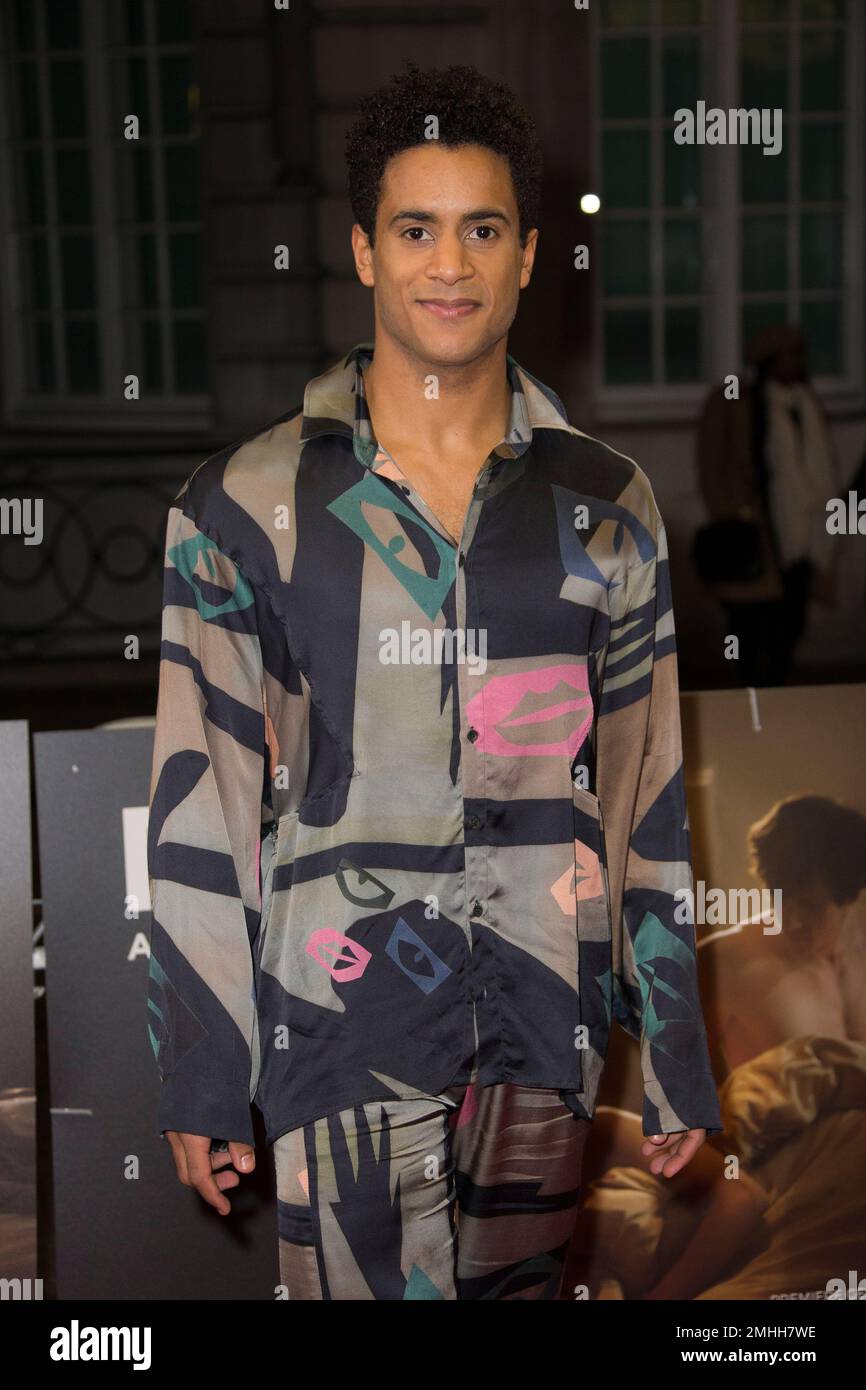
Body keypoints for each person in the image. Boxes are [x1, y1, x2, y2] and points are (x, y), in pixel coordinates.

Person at [146, 62, 722, 1302]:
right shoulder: (243, 506)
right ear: (362, 252)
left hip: (539, 1034)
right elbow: (202, 808)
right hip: (338, 1041)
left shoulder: (604, 503)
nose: (447, 264)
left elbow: (643, 792)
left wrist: (673, 1045)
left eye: (481, 229)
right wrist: (202, 1067)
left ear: (524, 258)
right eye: (415, 229)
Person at [696, 323, 840, 686]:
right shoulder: (734, 401)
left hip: (798, 534)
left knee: (790, 621)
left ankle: (775, 688)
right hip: (752, 533)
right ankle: (750, 693)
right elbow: (712, 462)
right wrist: (730, 513)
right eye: (791, 353)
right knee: (749, 621)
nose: (799, 362)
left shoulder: (804, 404)